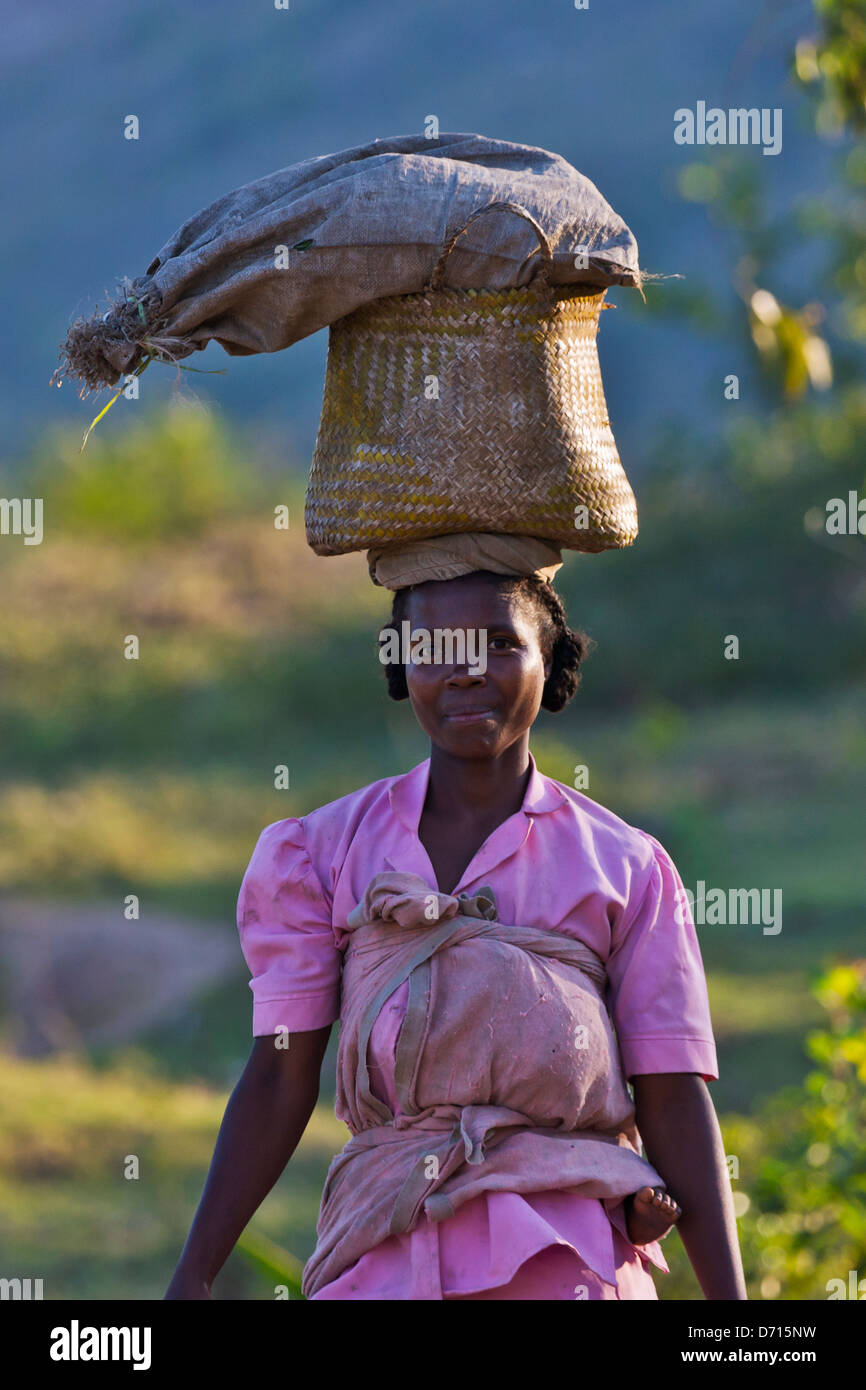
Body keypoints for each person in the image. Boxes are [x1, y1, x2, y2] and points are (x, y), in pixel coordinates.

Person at [165, 569, 747, 1301]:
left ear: (553, 659)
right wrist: (195, 1274)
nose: (468, 669)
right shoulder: (322, 854)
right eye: (435, 646)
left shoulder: (625, 868)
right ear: (400, 664)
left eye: (502, 643)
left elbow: (672, 1096)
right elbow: (281, 1073)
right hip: (385, 1247)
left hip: (572, 1264)